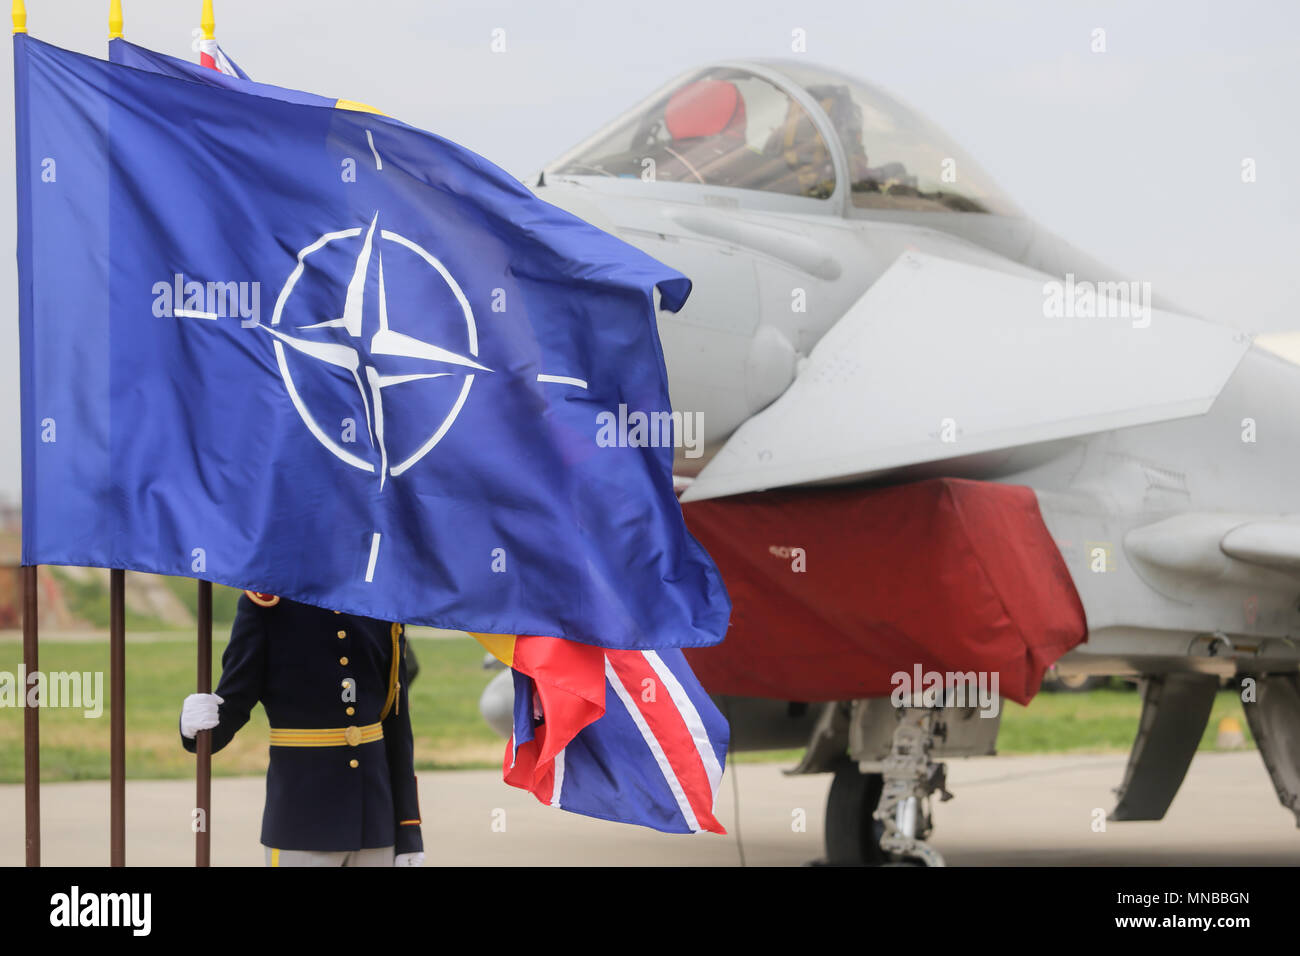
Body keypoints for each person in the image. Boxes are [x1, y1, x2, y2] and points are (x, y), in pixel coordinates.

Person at [179, 590, 424, 866]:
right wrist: (197, 725)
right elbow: (234, 704)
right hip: (302, 820)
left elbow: (396, 726)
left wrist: (409, 830)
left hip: (376, 824)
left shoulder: (378, 603)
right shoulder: (267, 604)